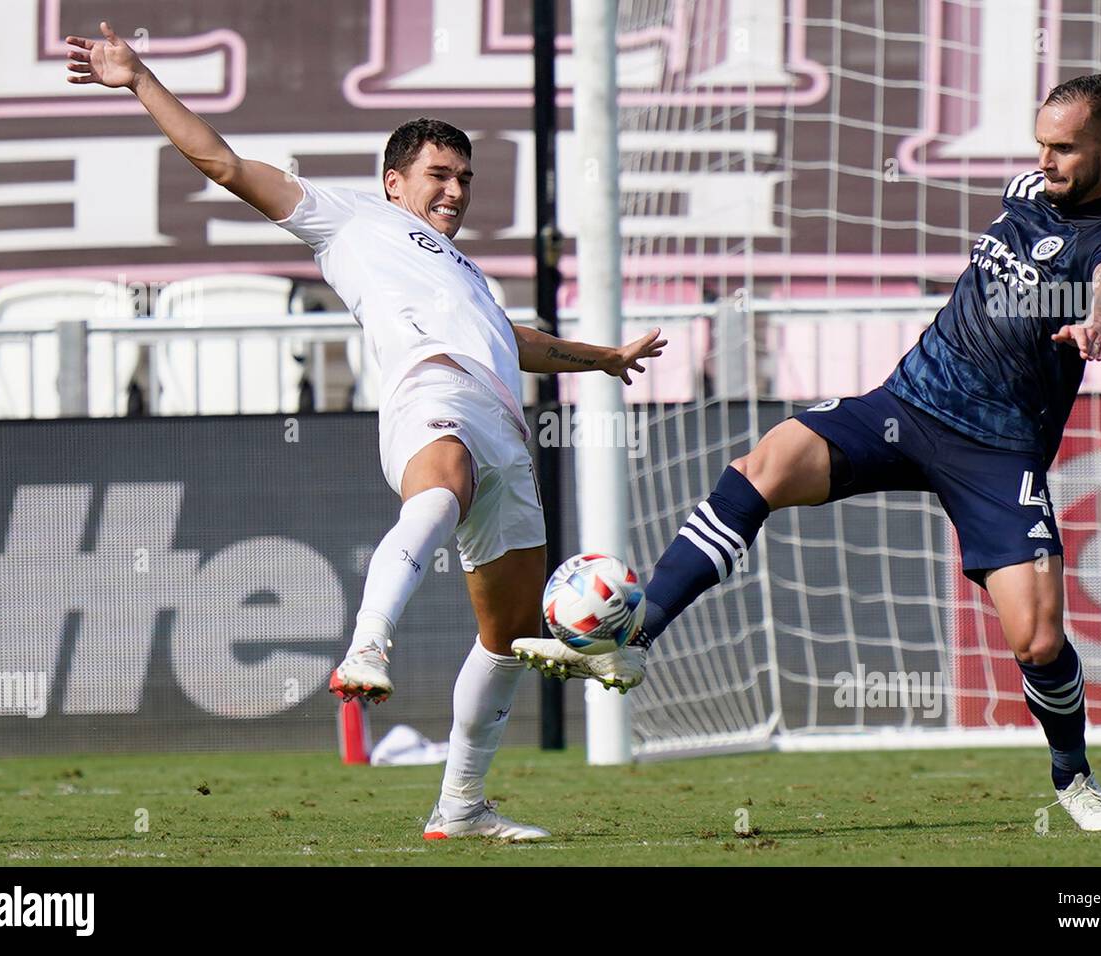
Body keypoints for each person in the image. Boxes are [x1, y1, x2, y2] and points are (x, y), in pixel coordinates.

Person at [516, 75, 1101, 832]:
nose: (1047, 159)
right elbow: (1082, 269)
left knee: (1037, 640)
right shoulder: (1027, 189)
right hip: (905, 404)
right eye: (1041, 141)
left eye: (1065, 147)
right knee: (762, 467)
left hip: (999, 452)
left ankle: (1073, 778)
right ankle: (636, 640)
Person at [67, 21, 664, 841]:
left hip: (508, 433)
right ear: (393, 182)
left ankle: (460, 806)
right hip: (433, 395)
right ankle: (369, 644)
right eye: (438, 175)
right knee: (441, 481)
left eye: (464, 178)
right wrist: (137, 79)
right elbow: (224, 164)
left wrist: (600, 358)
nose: (454, 190)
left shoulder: (467, 271)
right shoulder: (349, 218)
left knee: (507, 632)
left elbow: (511, 338)